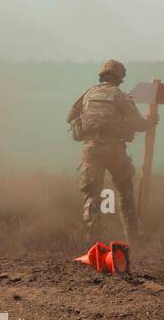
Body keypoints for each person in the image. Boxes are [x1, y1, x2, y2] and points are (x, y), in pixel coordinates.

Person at [67, 59, 156, 242]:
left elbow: (70, 116)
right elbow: (138, 124)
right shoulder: (120, 96)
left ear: (102, 75)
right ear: (119, 78)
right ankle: (133, 241)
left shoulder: (88, 93)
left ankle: (92, 243)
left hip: (91, 149)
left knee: (92, 195)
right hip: (115, 149)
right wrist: (150, 122)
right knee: (125, 192)